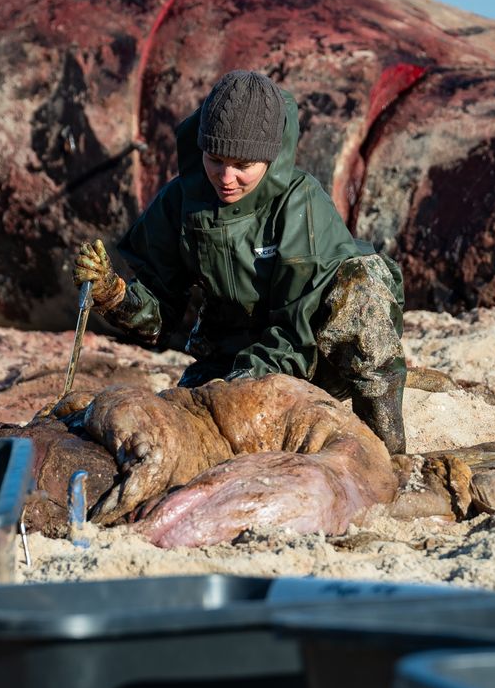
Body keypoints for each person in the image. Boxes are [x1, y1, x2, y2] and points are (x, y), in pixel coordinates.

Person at [68, 70, 409, 452]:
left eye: (243, 165)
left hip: (315, 359)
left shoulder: (301, 202)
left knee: (360, 284)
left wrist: (247, 386)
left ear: (270, 156)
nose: (226, 177)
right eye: (214, 159)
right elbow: (160, 318)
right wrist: (115, 295)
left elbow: (296, 334)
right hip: (230, 359)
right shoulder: (181, 203)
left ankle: (386, 450)